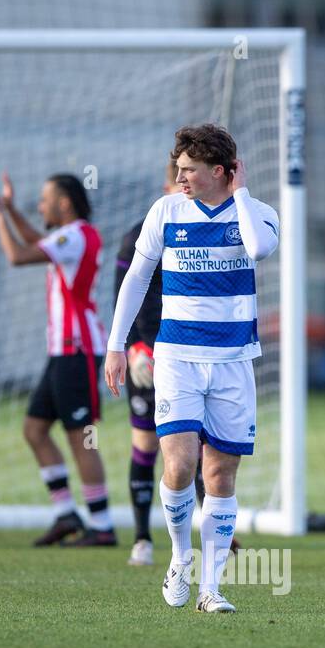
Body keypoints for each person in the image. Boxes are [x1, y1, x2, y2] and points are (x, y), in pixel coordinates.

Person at [106, 125, 279, 613]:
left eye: (189, 170)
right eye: (178, 169)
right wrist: (116, 345)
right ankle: (181, 558)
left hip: (233, 363)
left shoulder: (259, 214)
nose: (179, 178)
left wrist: (240, 192)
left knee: (220, 476)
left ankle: (212, 587)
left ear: (220, 172)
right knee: (180, 466)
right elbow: (137, 278)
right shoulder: (165, 212)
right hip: (176, 359)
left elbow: (258, 249)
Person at [0, 171, 114, 547]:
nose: (39, 206)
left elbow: (18, 255)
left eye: (44, 199)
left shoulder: (75, 235)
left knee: (81, 439)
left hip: (78, 351)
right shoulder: (73, 236)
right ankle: (66, 514)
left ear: (65, 203)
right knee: (35, 429)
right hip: (62, 353)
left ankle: (102, 525)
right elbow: (35, 241)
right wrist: (10, 210)